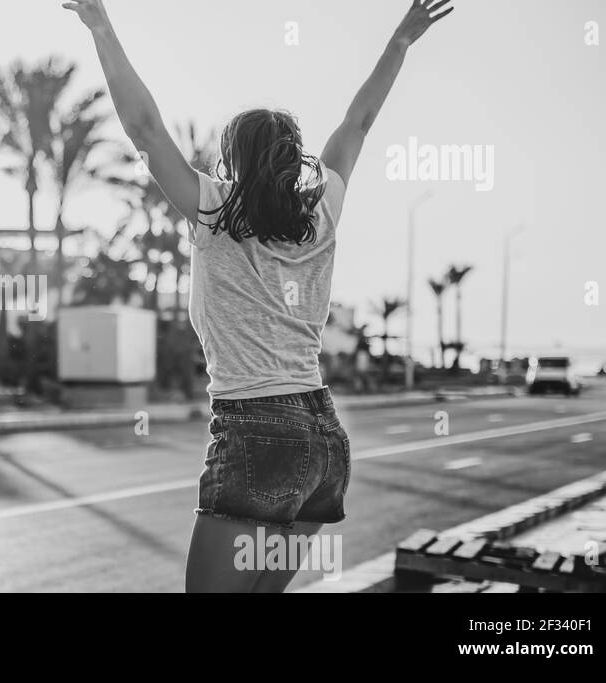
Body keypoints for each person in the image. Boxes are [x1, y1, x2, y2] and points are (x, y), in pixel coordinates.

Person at [64, 0, 454, 592]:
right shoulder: (323, 208)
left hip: (255, 429)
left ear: (234, 160)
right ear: (290, 156)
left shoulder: (215, 209)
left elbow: (143, 128)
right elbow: (358, 124)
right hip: (322, 436)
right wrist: (399, 42)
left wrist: (101, 26)